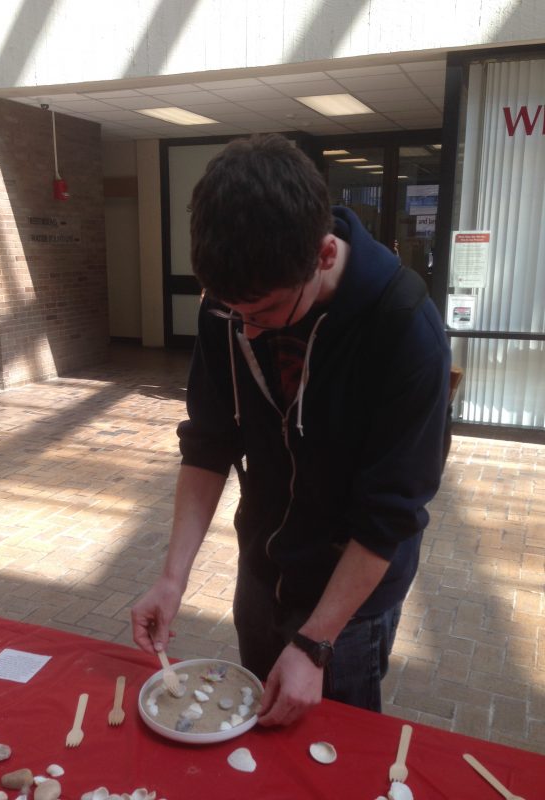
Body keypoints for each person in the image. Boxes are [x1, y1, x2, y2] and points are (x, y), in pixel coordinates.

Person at [131, 133, 451, 727]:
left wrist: (314, 643)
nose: (246, 331)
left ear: (324, 256)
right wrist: (172, 578)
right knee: (258, 729)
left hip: (351, 600)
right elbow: (208, 442)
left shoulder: (403, 330)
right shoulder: (229, 302)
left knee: (332, 749)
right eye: (231, 312)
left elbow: (390, 515)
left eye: (263, 313)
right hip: (264, 566)